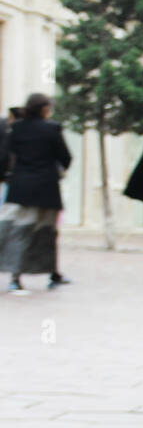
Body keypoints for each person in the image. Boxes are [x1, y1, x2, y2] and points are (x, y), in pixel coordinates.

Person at [0, 93, 72, 294]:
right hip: (47, 188)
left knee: (20, 231)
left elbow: (5, 156)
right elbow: (65, 157)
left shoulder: (17, 128)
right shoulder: (52, 129)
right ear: (44, 109)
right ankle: (52, 275)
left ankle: (16, 277)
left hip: (21, 187)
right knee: (47, 232)